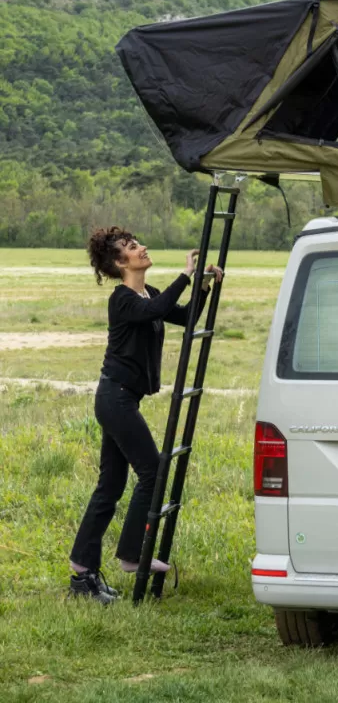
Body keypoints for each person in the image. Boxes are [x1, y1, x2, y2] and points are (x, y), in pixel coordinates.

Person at [68, 227, 222, 603]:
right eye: (133, 248)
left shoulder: (149, 293)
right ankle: (130, 556)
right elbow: (153, 311)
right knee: (152, 472)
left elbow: (183, 317)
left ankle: (82, 571)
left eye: (137, 244)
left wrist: (202, 287)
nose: (142, 249)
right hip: (114, 398)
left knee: (110, 486)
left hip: (123, 399)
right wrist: (185, 275)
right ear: (121, 263)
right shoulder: (122, 300)